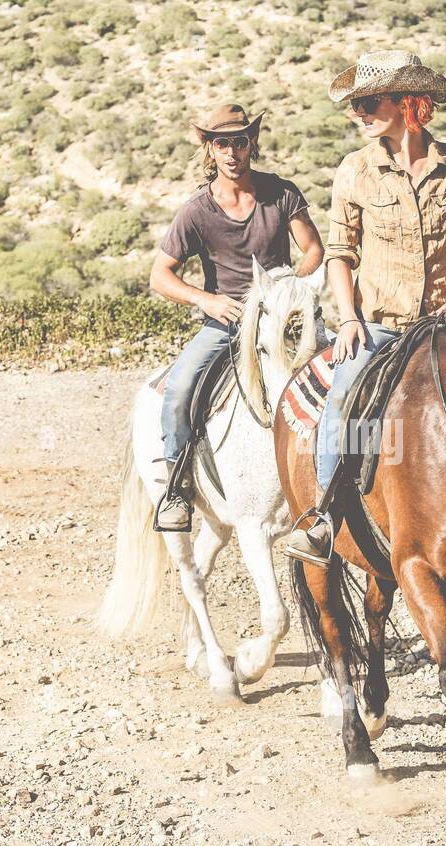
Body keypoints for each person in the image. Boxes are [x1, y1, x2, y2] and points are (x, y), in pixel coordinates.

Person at [285, 51, 446, 564]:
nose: (359, 112)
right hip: (377, 325)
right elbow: (339, 253)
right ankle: (322, 519)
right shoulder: (355, 170)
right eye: (355, 105)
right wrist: (349, 318)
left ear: (407, 103)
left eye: (369, 101)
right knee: (342, 401)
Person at [150, 103, 324, 531]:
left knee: (346, 371)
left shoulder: (281, 194)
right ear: (209, 149)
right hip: (225, 322)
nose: (231, 152)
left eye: (239, 142)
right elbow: (160, 276)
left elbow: (314, 250)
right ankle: (177, 488)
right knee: (178, 390)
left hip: (285, 322)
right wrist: (205, 301)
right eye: (221, 143)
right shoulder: (196, 212)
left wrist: (287, 288)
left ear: (252, 145)